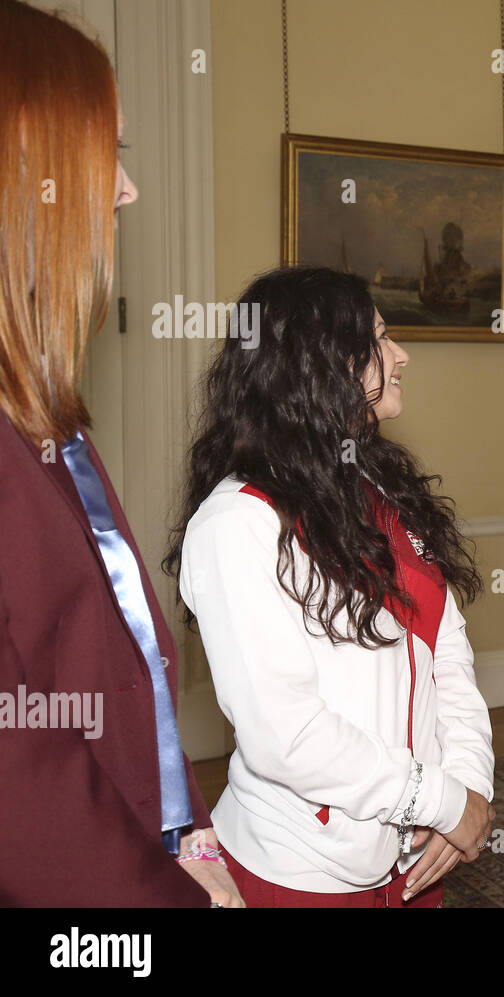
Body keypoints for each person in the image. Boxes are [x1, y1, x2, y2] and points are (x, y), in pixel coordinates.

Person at [0, 0, 242, 906]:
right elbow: (22, 783)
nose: (125, 189)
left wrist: (191, 836)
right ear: (25, 158)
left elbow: (119, 662)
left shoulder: (46, 414)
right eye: (109, 151)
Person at [165, 266, 495, 907]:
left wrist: (467, 790)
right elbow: (285, 732)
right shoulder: (238, 523)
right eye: (379, 339)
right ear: (320, 365)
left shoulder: (377, 492)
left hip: (416, 861)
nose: (402, 356)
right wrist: (444, 801)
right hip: (299, 876)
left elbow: (447, 656)